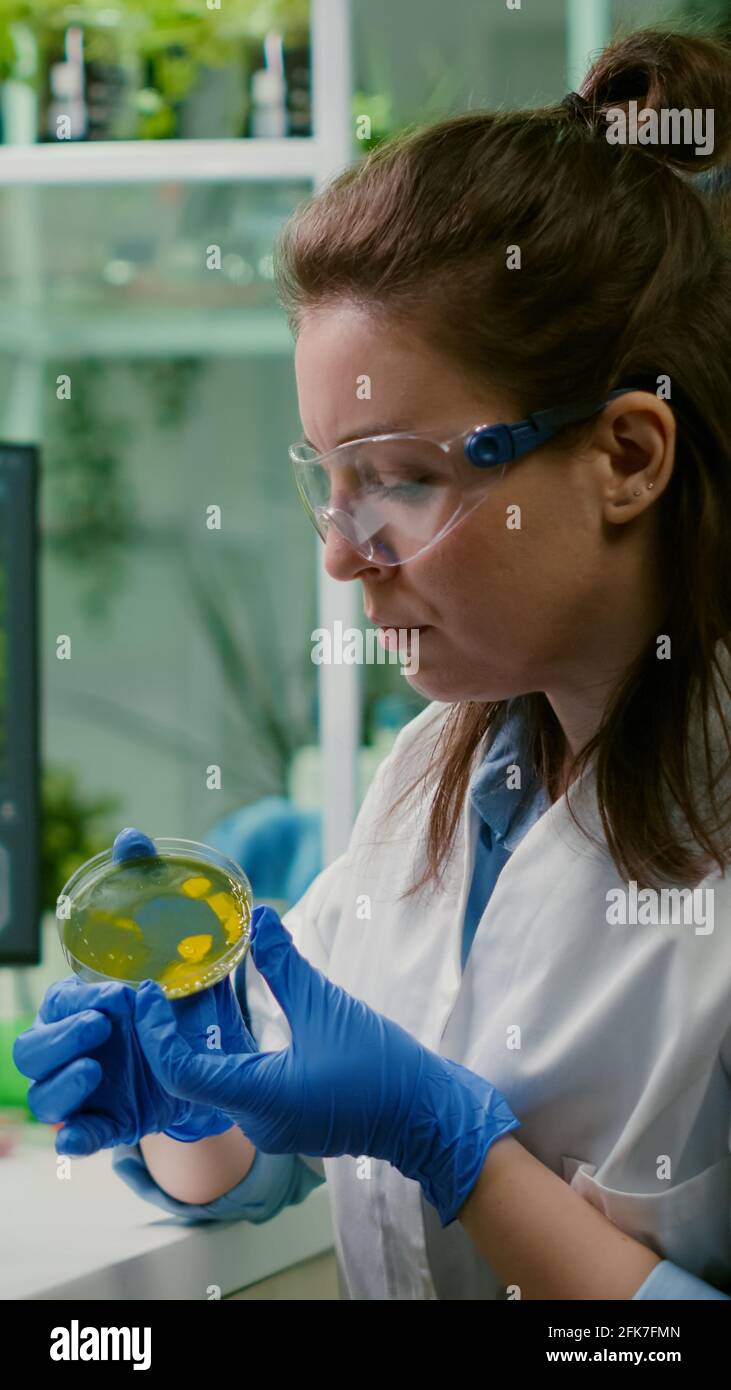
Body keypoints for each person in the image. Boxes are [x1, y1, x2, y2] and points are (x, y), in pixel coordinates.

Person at [14, 26, 731, 1300]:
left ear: (625, 455)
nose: (344, 557)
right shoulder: (437, 781)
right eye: (326, 484)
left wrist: (451, 1144)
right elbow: (281, 1149)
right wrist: (187, 1092)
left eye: (400, 478)